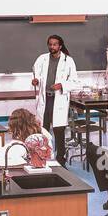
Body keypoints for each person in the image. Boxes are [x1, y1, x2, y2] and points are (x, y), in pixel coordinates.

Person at [31, 34, 78, 166]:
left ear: (60, 46)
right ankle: (42, 157)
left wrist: (61, 85)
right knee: (43, 129)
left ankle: (60, 160)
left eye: (55, 44)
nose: (52, 47)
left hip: (59, 101)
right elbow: (36, 75)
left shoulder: (68, 61)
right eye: (50, 44)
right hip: (45, 99)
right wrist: (36, 81)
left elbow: (75, 81)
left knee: (58, 131)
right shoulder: (42, 59)